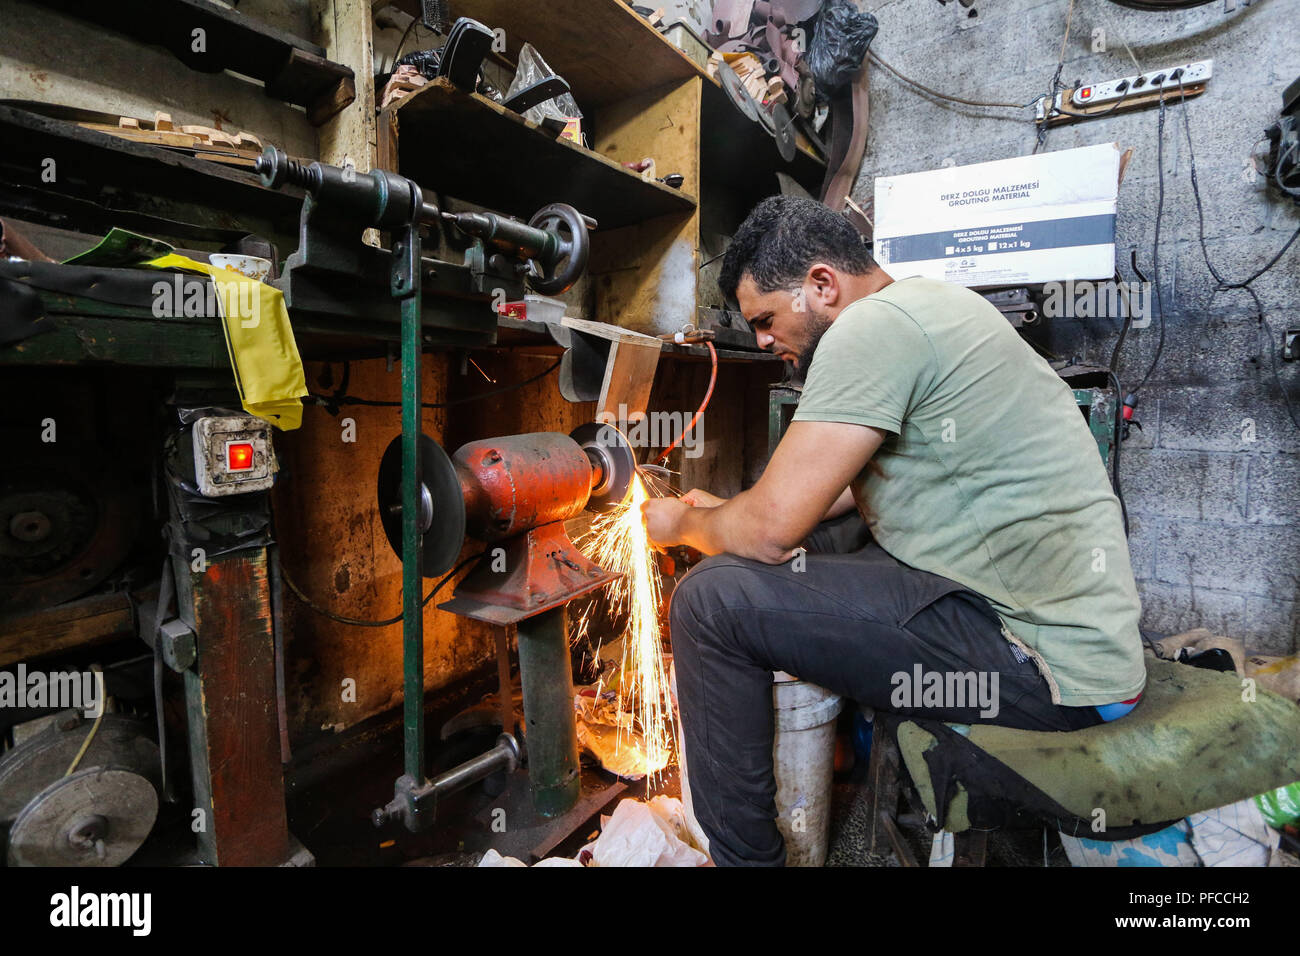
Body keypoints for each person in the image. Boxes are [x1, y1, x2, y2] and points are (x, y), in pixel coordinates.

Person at [641, 196, 1146, 866]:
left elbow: (767, 532)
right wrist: (727, 514)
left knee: (709, 602)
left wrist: (683, 523)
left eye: (765, 319)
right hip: (1072, 644)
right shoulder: (929, 306)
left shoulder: (868, 330)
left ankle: (745, 863)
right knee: (807, 545)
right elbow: (842, 489)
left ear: (821, 285)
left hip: (1049, 670)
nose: (762, 340)